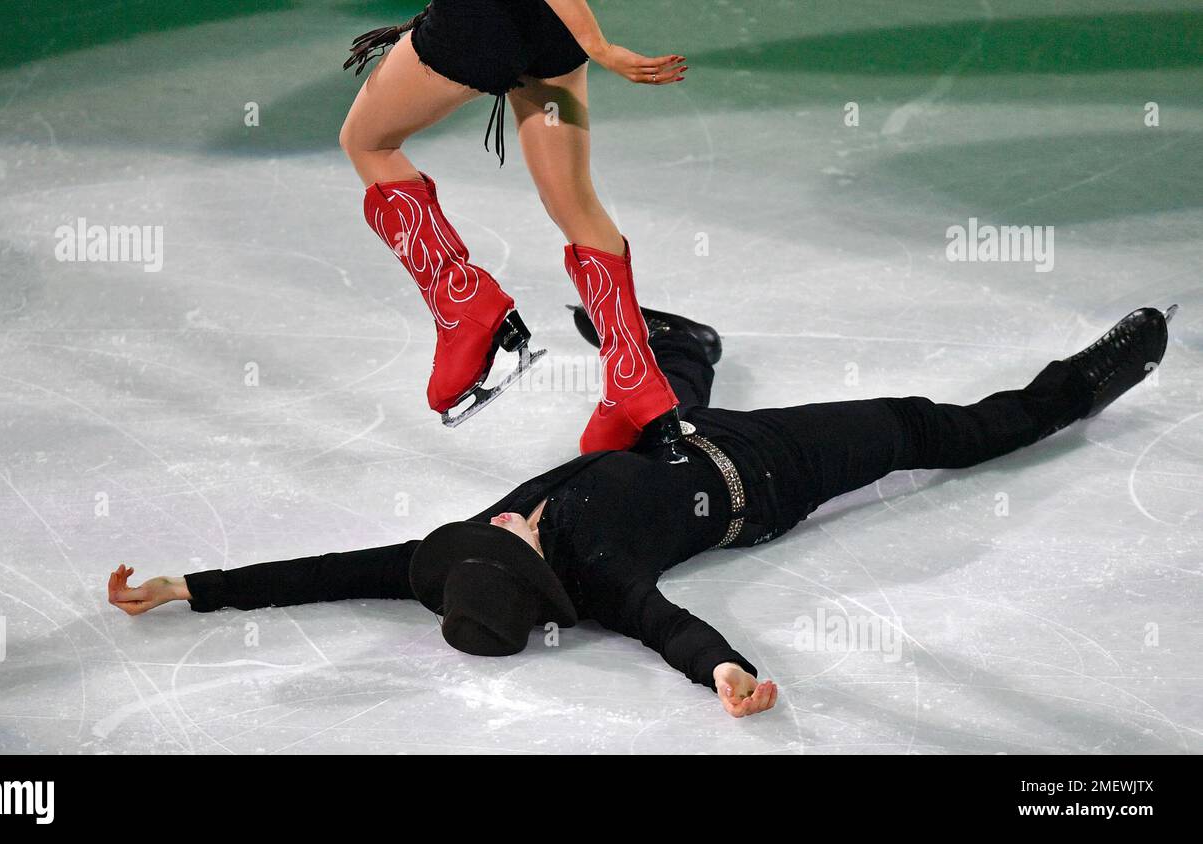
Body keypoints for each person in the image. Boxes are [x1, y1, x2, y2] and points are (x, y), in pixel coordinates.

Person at [108, 304, 1176, 718]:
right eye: (513, 533)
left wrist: (188, 586)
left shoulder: (443, 560)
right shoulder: (605, 583)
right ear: (536, 578)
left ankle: (685, 348)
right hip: (773, 472)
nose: (511, 513)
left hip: (669, 441)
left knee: (638, 406)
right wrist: (726, 674)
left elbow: (328, 569)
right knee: (923, 425)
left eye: (494, 523)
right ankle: (1083, 384)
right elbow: (676, 631)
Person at [339, 0, 688, 452]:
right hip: (551, 27)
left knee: (367, 142)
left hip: (481, 22)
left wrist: (598, 45)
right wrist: (585, 38)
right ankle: (634, 381)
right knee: (573, 200)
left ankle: (463, 303)